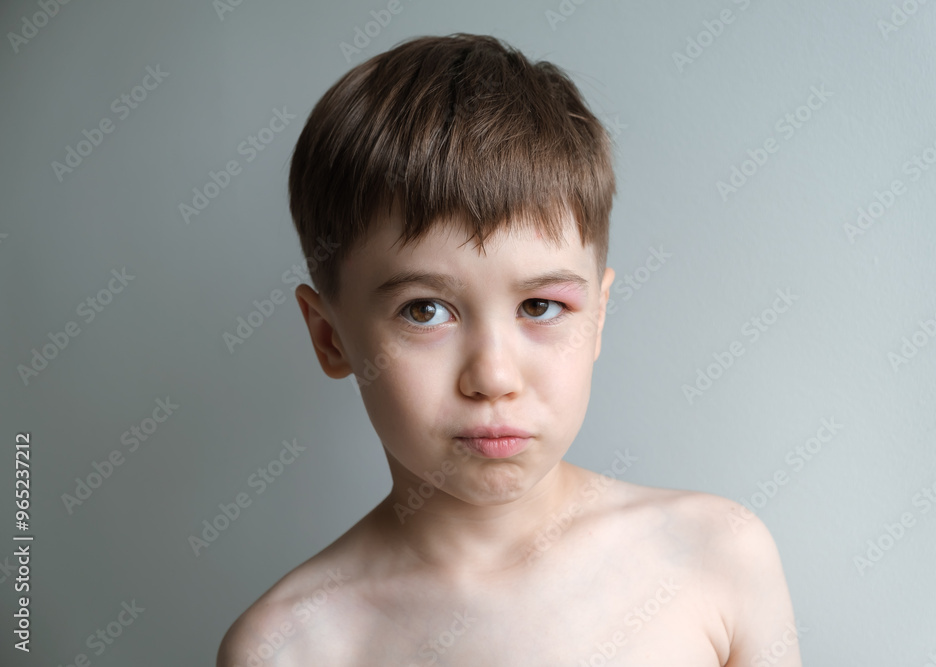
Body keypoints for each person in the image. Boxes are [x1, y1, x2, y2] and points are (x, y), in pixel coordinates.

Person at [217, 33, 801, 667]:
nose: (493, 377)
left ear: (599, 317)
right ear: (330, 336)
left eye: (541, 307)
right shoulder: (289, 648)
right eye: (425, 311)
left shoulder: (715, 556)